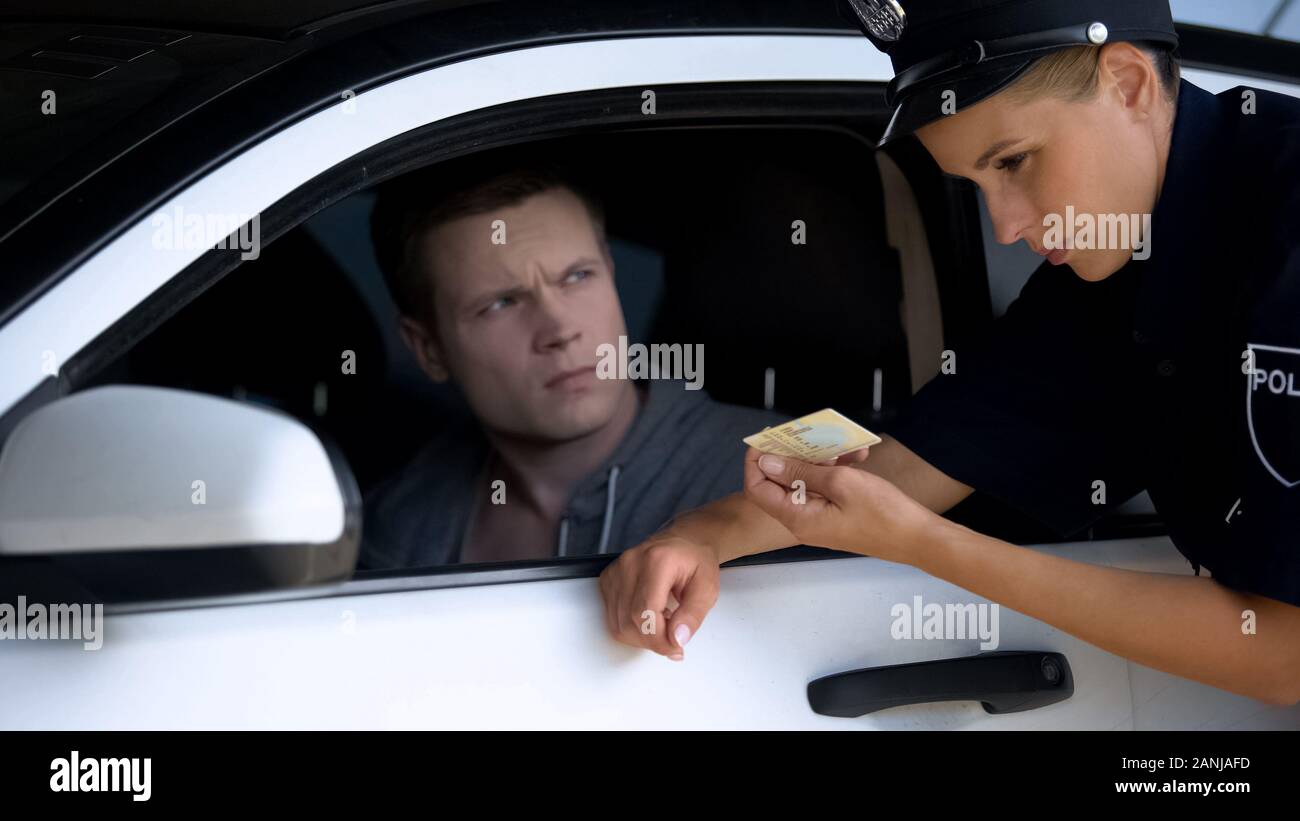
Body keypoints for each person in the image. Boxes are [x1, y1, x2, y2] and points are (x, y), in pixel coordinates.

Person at [598, 0, 1300, 700]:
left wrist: (924, 545)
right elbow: (905, 462)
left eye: (1017, 162)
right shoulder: (1108, 265)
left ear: (1127, 83)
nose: (1005, 226)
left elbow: (1285, 652)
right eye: (975, 185)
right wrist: (699, 534)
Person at [360, 162, 781, 568]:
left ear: (610, 273)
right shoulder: (395, 526)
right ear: (429, 349)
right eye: (501, 303)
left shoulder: (777, 478)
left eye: (577, 277)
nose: (559, 329)